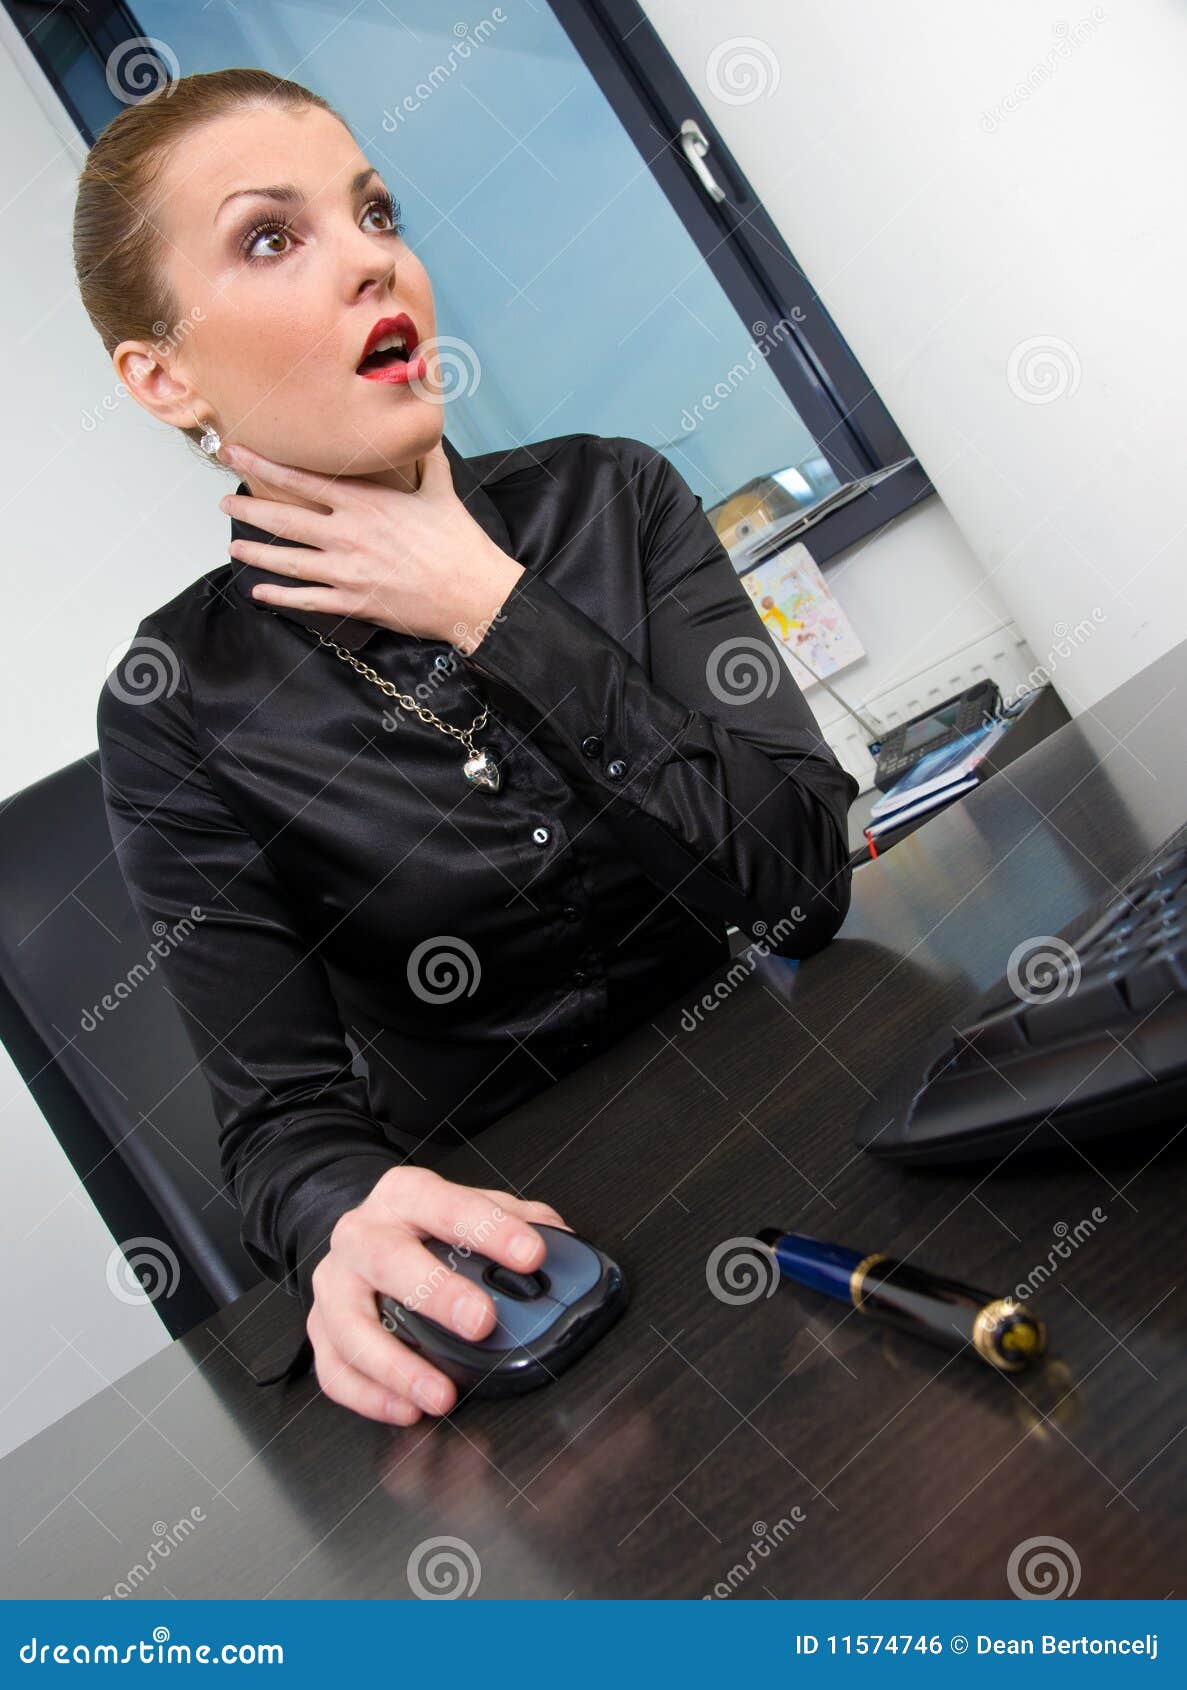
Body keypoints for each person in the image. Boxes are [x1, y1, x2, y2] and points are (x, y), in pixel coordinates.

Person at [76, 68, 860, 1430]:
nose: (374, 257)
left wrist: (493, 610)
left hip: (799, 1139)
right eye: (273, 236)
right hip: (537, 1273)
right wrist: (345, 1222)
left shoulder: (614, 496)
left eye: (375, 210)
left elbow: (803, 879)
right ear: (164, 376)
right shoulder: (173, 705)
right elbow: (282, 1130)